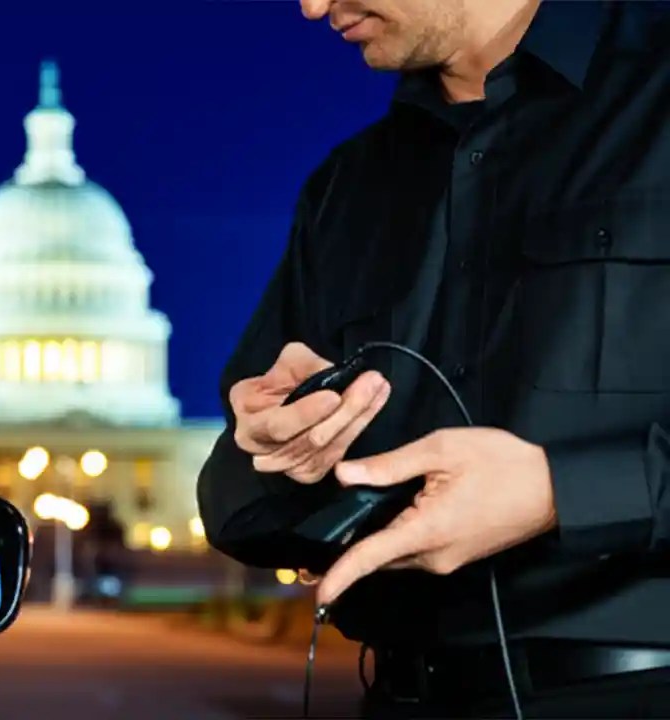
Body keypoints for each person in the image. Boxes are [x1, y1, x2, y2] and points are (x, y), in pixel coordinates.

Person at [197, 1, 670, 717]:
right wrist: (281, 455)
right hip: (397, 694)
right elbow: (233, 490)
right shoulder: (348, 185)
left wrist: (560, 494)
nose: (313, 6)